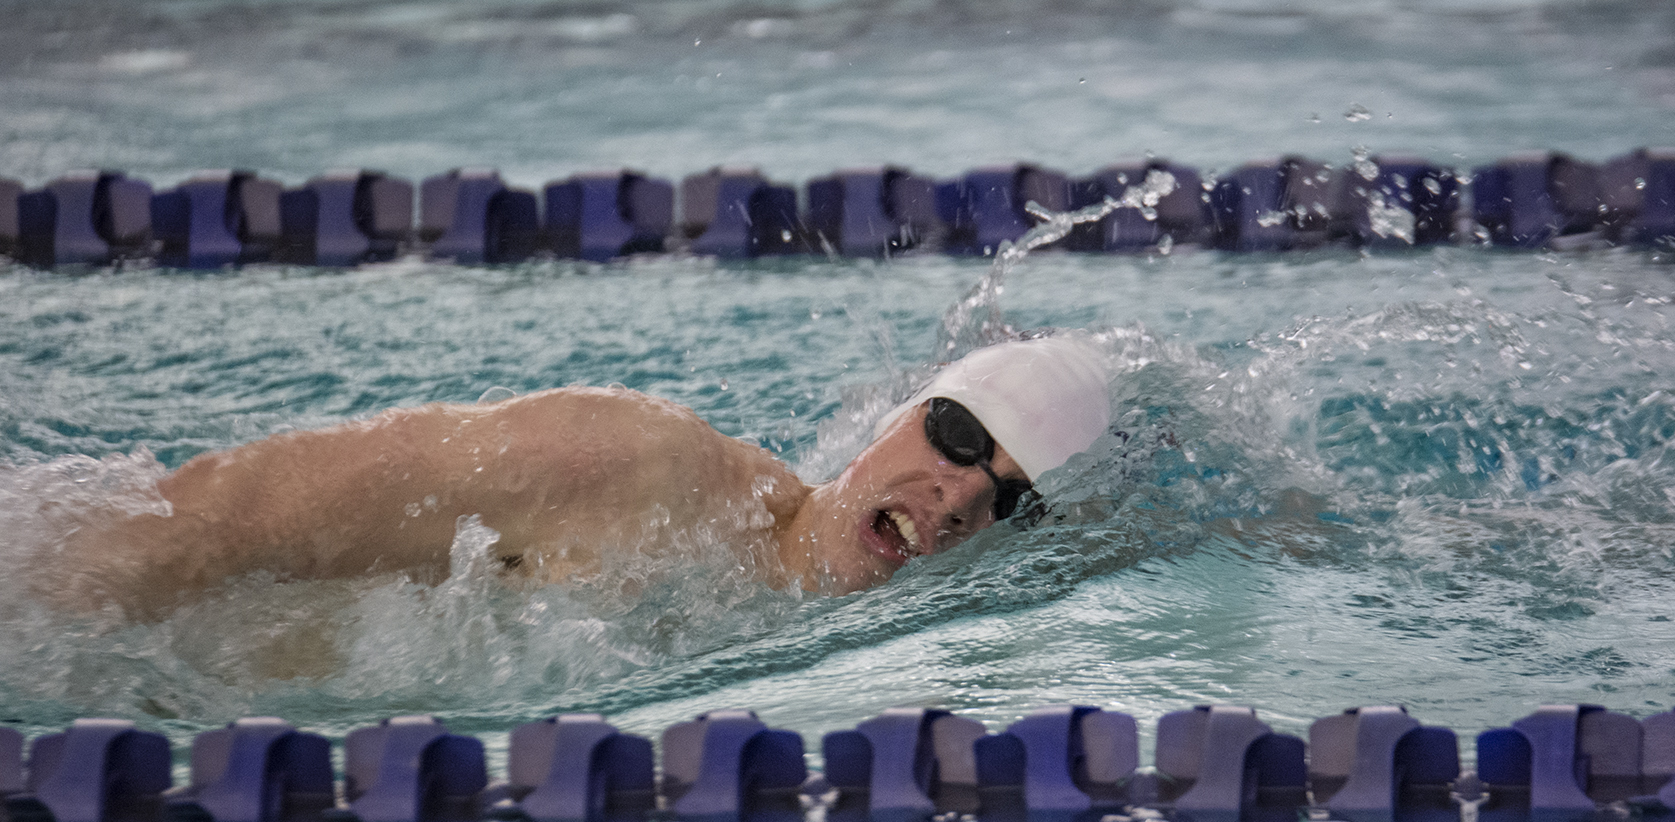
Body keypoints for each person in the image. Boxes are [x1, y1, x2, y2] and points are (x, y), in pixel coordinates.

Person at [57, 334, 1114, 618]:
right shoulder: (638, 467)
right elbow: (234, 514)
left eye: (1011, 497)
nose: (960, 495)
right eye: (959, 435)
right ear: (897, 413)